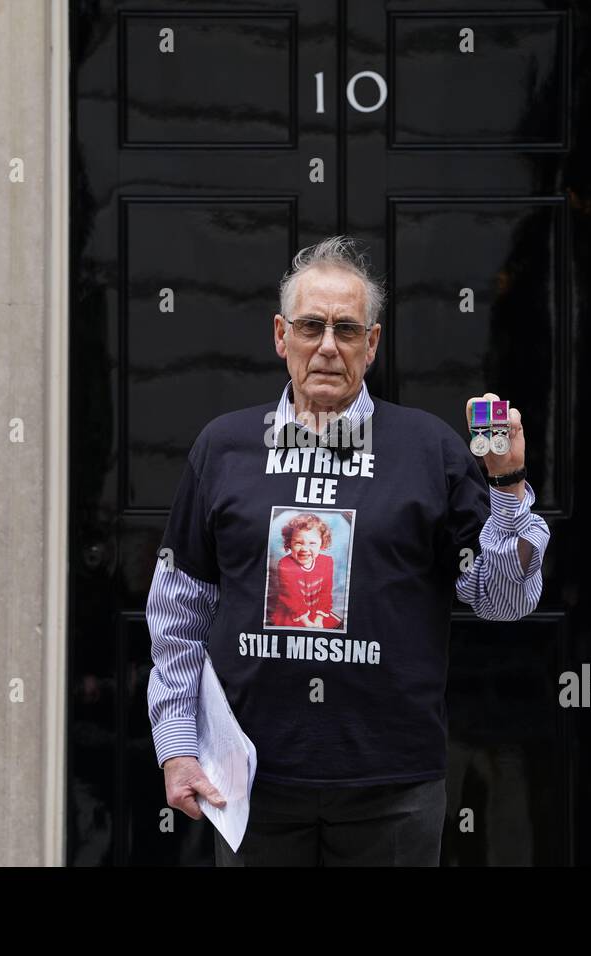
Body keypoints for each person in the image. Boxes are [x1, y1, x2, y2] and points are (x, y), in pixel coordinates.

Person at [145, 236, 550, 866]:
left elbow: (504, 601)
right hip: (251, 784)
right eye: (311, 326)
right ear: (281, 336)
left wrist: (506, 484)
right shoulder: (223, 449)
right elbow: (180, 614)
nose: (328, 346)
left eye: (346, 328)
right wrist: (176, 747)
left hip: (393, 789)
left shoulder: (428, 450)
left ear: (373, 343)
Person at [269, 513, 341, 629]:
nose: (305, 549)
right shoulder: (285, 564)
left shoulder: (327, 562)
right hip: (294, 612)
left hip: (316, 609)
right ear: (289, 543)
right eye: (298, 543)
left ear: (322, 544)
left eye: (312, 543)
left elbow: (325, 593)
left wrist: (319, 618)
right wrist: (307, 623)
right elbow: (292, 598)